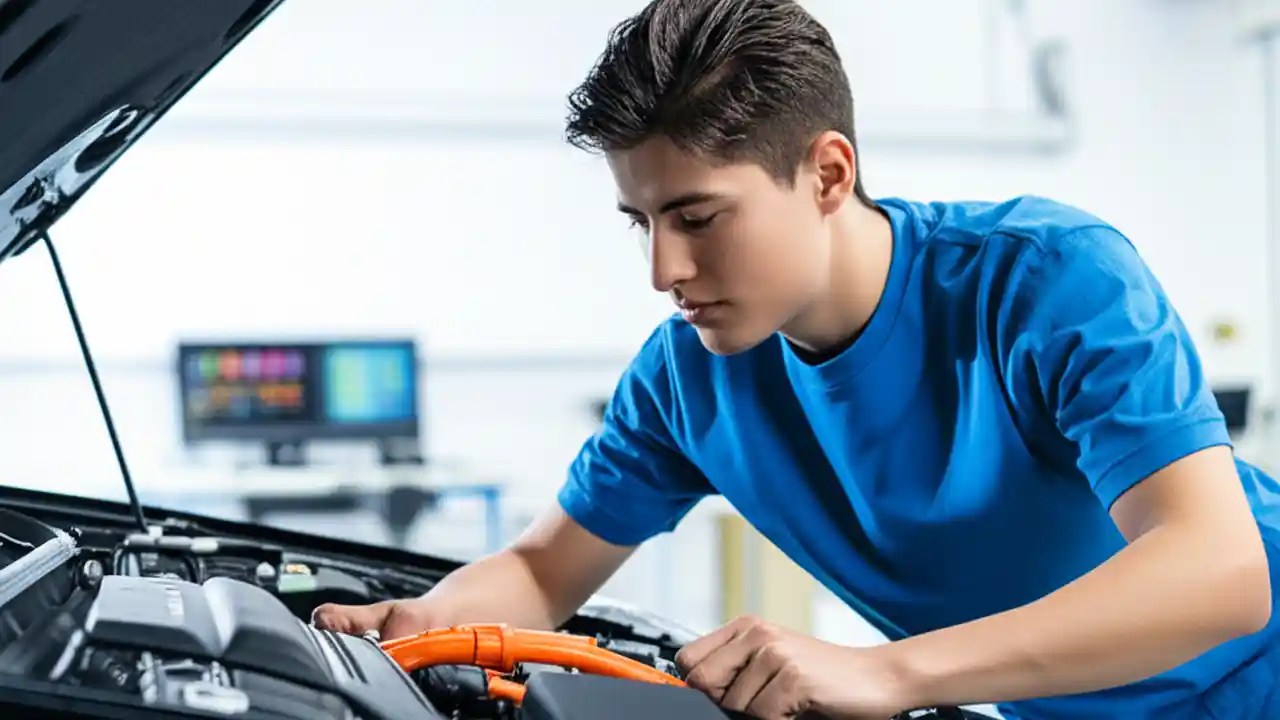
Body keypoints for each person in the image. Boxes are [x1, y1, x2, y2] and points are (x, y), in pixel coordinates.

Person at [313, 1, 1280, 717]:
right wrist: (424, 626)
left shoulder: (1047, 280)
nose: (664, 269)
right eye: (641, 222)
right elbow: (542, 567)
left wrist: (884, 671)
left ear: (827, 173)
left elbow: (1220, 574)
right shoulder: (686, 377)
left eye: (697, 217)